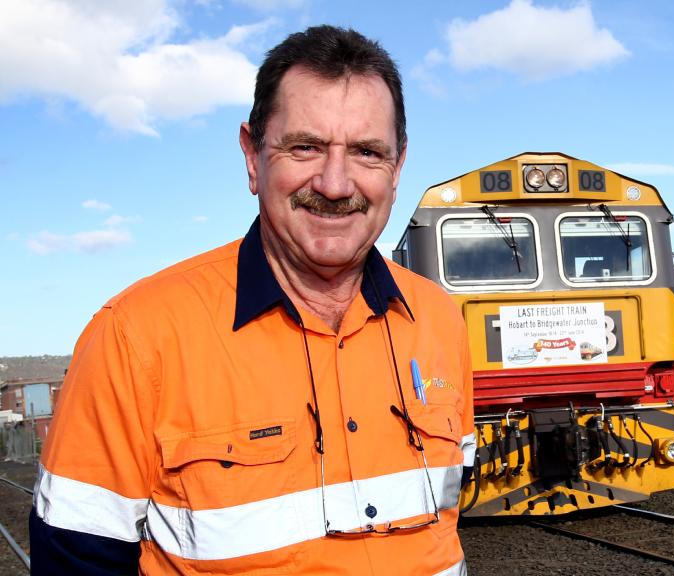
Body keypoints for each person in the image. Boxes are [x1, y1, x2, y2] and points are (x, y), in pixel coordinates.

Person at [30, 25, 475, 575]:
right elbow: (77, 560)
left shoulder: (440, 321)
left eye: (366, 152)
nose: (335, 184)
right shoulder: (136, 336)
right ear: (252, 156)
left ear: (398, 165)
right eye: (305, 147)